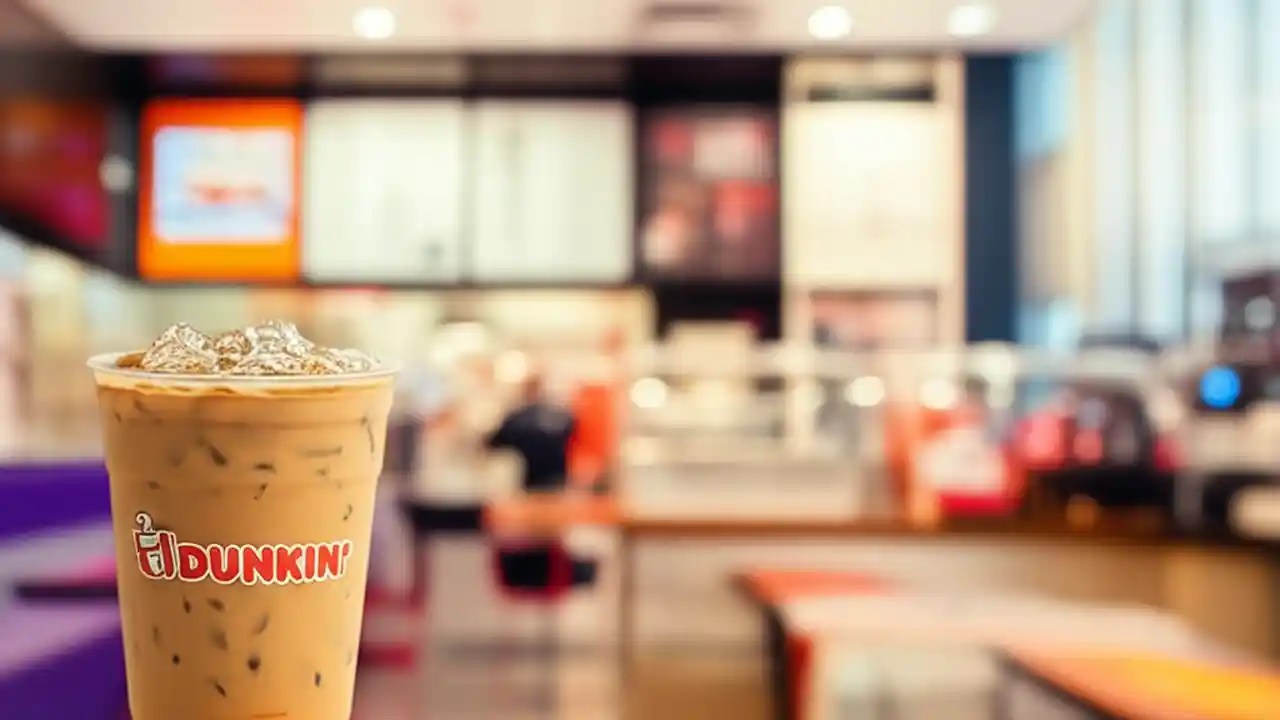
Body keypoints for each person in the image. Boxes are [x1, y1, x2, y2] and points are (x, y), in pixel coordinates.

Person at [485, 372, 576, 494]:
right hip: (552, 478)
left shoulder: (519, 417)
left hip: (536, 479)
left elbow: (494, 442)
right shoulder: (560, 415)